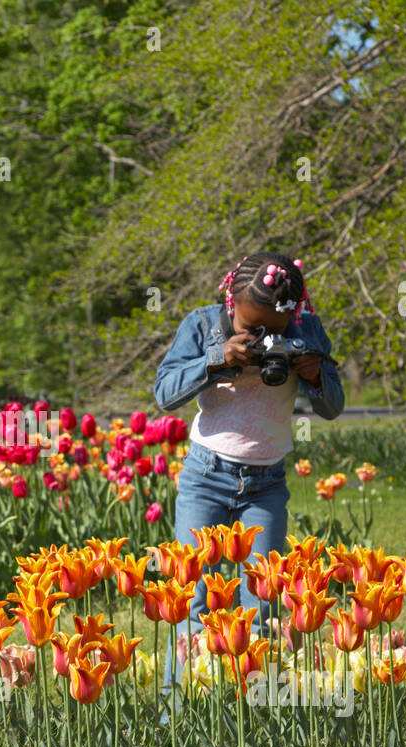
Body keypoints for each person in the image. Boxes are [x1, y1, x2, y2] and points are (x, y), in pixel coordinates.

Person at [153, 252, 344, 692]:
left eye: (273, 334)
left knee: (263, 602)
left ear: (292, 317)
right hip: (206, 477)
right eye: (250, 329)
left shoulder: (307, 330)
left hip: (266, 485)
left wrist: (315, 376)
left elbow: (333, 407)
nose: (261, 340)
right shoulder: (203, 325)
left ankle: (254, 714)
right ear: (230, 299)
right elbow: (164, 393)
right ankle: (176, 713)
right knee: (192, 598)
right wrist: (216, 359)